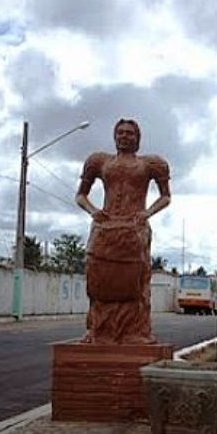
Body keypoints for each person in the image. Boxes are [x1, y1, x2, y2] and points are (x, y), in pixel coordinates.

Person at [75, 119, 171, 344]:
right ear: (114, 136)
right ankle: (97, 330)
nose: (125, 136)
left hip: (134, 228)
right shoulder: (98, 161)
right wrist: (93, 211)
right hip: (104, 227)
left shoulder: (150, 164)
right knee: (97, 279)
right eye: (120, 132)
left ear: (138, 138)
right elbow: (81, 195)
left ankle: (135, 331)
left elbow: (166, 196)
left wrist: (147, 213)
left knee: (136, 282)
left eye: (130, 133)